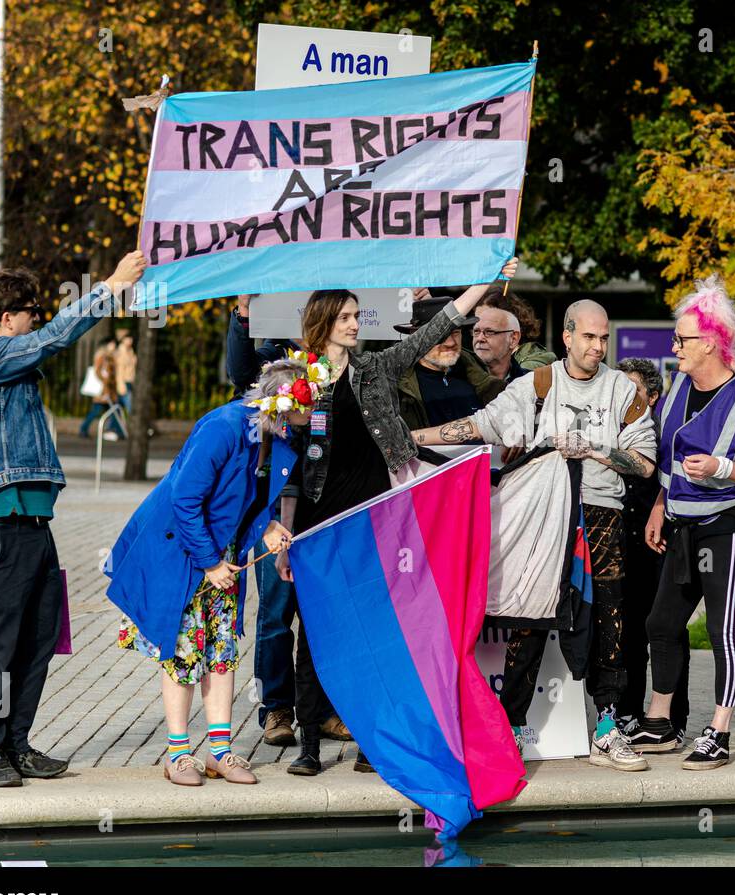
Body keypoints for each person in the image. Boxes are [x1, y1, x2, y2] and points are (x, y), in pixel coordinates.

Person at [277, 259, 519, 775]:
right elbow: (286, 466)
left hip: (373, 516)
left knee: (374, 628)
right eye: (344, 315)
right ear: (323, 322)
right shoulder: (295, 382)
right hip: (317, 524)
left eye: (354, 314)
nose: (353, 322)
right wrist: (284, 529)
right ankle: (309, 745)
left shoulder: (376, 369)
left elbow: (440, 323)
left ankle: (373, 741)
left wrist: (485, 278)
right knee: (313, 630)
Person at [412, 297, 657, 772]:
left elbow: (645, 464)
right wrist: (415, 439)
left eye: (604, 338)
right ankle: (510, 728)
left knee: (611, 619)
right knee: (527, 617)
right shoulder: (537, 384)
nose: (597, 346)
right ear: (566, 337)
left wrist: (598, 448)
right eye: (588, 337)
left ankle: (607, 727)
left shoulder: (625, 394)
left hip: (600, 516)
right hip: (543, 516)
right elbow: (481, 426)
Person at [0, 249, 146, 787]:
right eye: (31, 310)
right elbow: (52, 338)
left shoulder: (13, 358)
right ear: (7, 317)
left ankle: (15, 745)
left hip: (32, 520)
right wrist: (110, 286)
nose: (38, 316)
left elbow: (44, 344)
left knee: (39, 637)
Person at [106, 357, 310, 785]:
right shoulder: (224, 427)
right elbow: (185, 501)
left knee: (221, 653)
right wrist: (210, 564)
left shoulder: (273, 435)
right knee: (183, 654)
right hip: (185, 554)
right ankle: (177, 753)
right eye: (308, 403)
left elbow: (245, 501)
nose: (313, 413)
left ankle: (220, 751)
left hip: (222, 555)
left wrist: (268, 526)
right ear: (282, 401)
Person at [629, 276, 735, 770]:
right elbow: (670, 459)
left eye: (682, 340)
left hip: (729, 523)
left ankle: (718, 729)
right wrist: (659, 506)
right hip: (682, 522)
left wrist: (724, 468)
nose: (674, 347)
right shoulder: (676, 390)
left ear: (711, 343)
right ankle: (660, 722)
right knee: (661, 622)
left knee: (723, 628)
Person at [223, 296, 349, 749]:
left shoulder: (339, 358)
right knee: (277, 612)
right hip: (275, 508)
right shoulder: (272, 356)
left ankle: (326, 708)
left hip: (326, 503)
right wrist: (242, 316)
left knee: (325, 612)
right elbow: (239, 373)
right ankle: (277, 707)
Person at [613, 359, 688, 733]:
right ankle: (627, 710)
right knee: (626, 632)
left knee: (663, 627)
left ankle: (674, 715)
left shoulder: (666, 434)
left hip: (659, 545)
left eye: (634, 391)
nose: (624, 398)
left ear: (654, 397)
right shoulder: (610, 428)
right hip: (620, 543)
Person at [394, 297, 506, 429]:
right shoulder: (395, 388)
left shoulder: (476, 374)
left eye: (455, 332)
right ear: (416, 336)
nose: (451, 342)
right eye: (440, 336)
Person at [470, 303, 527, 382]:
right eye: (476, 331)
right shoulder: (454, 380)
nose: (480, 338)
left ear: (513, 339)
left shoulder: (530, 383)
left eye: (489, 332)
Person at [79, 341, 123, 440]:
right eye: (112, 344)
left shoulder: (110, 357)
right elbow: (97, 371)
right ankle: (83, 429)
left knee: (114, 411)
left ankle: (119, 431)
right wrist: (105, 380)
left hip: (109, 392)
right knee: (96, 412)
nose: (113, 346)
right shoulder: (101, 356)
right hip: (102, 392)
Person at [114, 328, 137, 416]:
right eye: (128, 338)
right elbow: (119, 370)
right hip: (123, 382)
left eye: (131, 338)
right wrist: (121, 384)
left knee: (118, 408)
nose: (130, 340)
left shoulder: (130, 351)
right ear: (122, 340)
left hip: (129, 381)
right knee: (130, 408)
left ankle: (113, 427)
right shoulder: (121, 352)